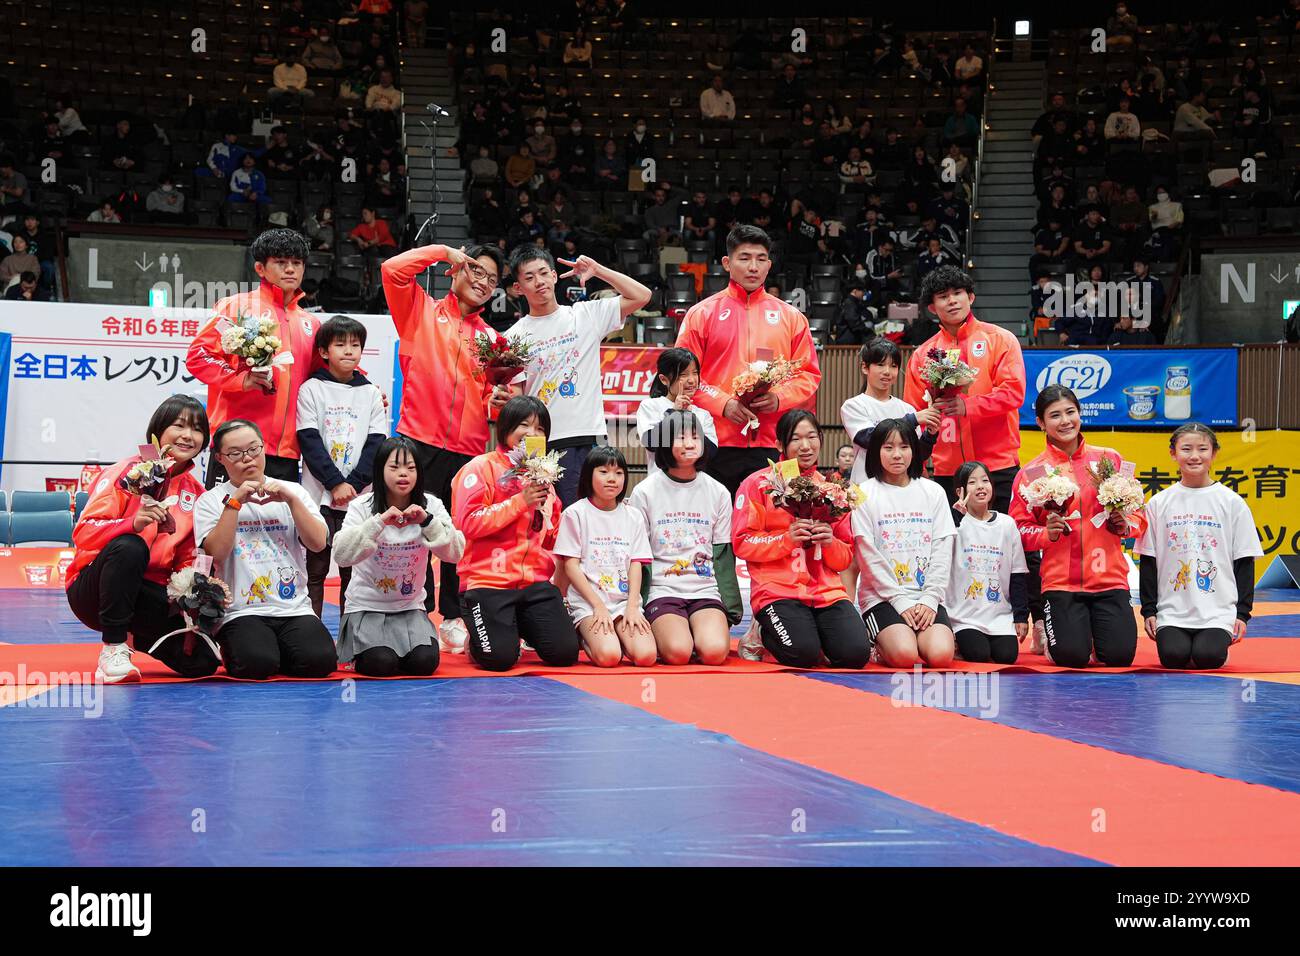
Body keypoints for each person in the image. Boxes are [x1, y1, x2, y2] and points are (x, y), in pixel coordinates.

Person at [380, 242, 507, 650]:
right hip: (416, 439)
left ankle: (453, 615)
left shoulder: (492, 340)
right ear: (455, 271)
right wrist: (442, 251)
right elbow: (392, 269)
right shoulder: (420, 311)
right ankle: (411, 606)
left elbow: (489, 396)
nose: (483, 282)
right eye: (476, 270)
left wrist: (496, 403)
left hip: (467, 448)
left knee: (455, 533)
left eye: (492, 278)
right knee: (409, 528)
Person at [66, 396, 220, 683]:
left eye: (197, 429)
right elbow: (84, 531)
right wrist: (131, 524)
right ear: (158, 430)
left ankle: (134, 634)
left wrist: (193, 597)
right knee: (130, 545)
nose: (188, 435)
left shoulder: (196, 492)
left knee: (202, 662)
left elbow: (189, 556)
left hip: (146, 591)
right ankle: (113, 648)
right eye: (179, 425)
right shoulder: (127, 472)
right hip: (94, 589)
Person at [675, 225, 822, 498]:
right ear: (727, 263)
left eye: (761, 258)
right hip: (713, 440)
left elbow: (808, 375)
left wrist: (778, 398)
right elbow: (683, 376)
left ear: (769, 264)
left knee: (778, 520)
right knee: (715, 529)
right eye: (744, 258)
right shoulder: (701, 314)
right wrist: (723, 404)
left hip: (777, 444)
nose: (753, 266)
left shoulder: (791, 318)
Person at [1009, 385, 1147, 668]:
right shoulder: (1032, 472)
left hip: (1110, 580)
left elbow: (1139, 517)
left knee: (1120, 657)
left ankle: (1094, 634)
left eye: (1071, 412)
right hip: (1061, 584)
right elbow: (1018, 530)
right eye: (1055, 415)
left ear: (1080, 414)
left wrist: (1125, 526)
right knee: (1071, 657)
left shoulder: (1110, 459)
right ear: (1041, 423)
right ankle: (1056, 636)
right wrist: (1046, 535)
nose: (1065, 421)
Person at [505, 245, 652, 506]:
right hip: (539, 443)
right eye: (529, 277)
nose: (539, 282)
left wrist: (598, 271)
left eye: (543, 273)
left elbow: (642, 296)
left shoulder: (585, 315)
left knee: (592, 520)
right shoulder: (513, 338)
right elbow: (515, 398)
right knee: (546, 523)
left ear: (553, 275)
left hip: (589, 436)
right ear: (518, 288)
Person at [194, 420, 337, 680]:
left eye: (253, 449)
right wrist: (234, 503)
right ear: (220, 459)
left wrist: (292, 501)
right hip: (240, 610)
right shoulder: (211, 500)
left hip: (293, 608)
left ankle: (278, 649)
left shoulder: (293, 491)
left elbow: (318, 543)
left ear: (263, 449)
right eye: (235, 454)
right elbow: (216, 554)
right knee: (256, 665)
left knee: (320, 662)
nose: (247, 459)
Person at [451, 397, 580, 672]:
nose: (533, 434)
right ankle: (477, 637)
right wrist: (520, 501)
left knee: (565, 653)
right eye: (524, 425)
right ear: (506, 428)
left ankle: (516, 624)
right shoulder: (480, 468)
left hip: (534, 584)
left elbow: (551, 536)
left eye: (540, 429)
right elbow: (468, 524)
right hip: (487, 582)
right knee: (498, 659)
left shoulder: (545, 476)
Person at [733, 410, 871, 669]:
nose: (806, 446)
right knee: (802, 653)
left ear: (821, 438)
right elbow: (742, 542)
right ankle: (761, 633)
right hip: (777, 591)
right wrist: (787, 538)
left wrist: (829, 542)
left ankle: (815, 633)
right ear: (780, 445)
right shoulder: (758, 484)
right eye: (796, 439)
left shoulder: (833, 490)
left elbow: (845, 558)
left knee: (855, 654)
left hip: (825, 592)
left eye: (812, 437)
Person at [186, 228, 321, 487]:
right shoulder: (234, 306)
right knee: (227, 524)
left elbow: (321, 374)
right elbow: (198, 356)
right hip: (236, 448)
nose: (290, 270)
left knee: (279, 527)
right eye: (281, 263)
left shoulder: (311, 323)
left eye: (297, 263)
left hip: (287, 452)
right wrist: (242, 380)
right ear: (260, 268)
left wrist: (361, 387)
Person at [332, 437, 464, 676]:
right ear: (380, 470)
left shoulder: (431, 505)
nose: (403, 474)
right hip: (366, 608)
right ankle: (358, 651)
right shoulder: (362, 506)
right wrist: (378, 523)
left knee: (424, 663)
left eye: (410, 468)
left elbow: (455, 553)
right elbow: (341, 555)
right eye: (394, 467)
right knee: (381, 664)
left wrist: (428, 522)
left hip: (410, 607)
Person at [1137, 423, 1263, 670]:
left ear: (1214, 453)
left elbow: (1244, 561)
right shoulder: (1159, 503)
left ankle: (1215, 643)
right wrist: (1149, 611)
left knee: (1209, 658)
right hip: (1172, 609)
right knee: (1173, 657)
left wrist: (1241, 614)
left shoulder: (1232, 503)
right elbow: (1148, 560)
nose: (1194, 456)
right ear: (1173, 453)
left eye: (1202, 449)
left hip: (1217, 610)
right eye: (1186, 449)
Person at [903, 266, 1026, 512]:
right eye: (942, 296)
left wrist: (967, 406)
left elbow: (1013, 392)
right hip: (948, 470)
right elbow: (915, 415)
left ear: (970, 297)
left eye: (957, 293)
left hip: (997, 466)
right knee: (952, 547)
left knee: (1004, 545)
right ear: (932, 307)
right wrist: (919, 466)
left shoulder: (1000, 340)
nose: (951, 301)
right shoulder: (923, 355)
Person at [629, 410, 741, 665]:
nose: (690, 444)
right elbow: (637, 555)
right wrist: (636, 603)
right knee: (678, 652)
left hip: (704, 589)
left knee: (714, 653)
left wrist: (731, 605)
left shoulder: (718, 492)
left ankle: (697, 633)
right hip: (662, 589)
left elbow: (722, 553)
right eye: (680, 437)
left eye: (695, 437)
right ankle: (672, 632)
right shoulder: (645, 492)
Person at [296, 316, 388, 619]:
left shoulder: (371, 393)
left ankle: (354, 636)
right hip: (318, 493)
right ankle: (311, 630)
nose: (349, 351)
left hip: (359, 496)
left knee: (354, 570)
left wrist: (355, 484)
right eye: (340, 345)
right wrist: (335, 483)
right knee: (315, 567)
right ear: (324, 351)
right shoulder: (311, 389)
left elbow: (377, 443)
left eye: (355, 345)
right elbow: (308, 440)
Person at [852, 419, 958, 668]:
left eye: (904, 446)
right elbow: (868, 556)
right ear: (876, 451)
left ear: (914, 450)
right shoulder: (863, 493)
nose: (897, 455)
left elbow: (943, 549)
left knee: (941, 656)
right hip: (882, 598)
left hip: (924, 597)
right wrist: (898, 599)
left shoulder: (933, 492)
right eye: (888, 447)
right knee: (904, 656)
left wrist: (931, 598)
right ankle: (876, 643)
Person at [554, 448, 657, 667]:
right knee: (609, 657)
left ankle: (619, 636)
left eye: (619, 473)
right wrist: (598, 605)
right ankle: (584, 636)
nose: (612, 479)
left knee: (646, 656)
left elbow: (636, 563)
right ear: (588, 475)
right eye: (603, 472)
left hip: (623, 602)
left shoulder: (633, 516)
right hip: (589, 603)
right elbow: (570, 566)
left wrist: (631, 606)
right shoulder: (574, 514)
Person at [945, 460, 1030, 664]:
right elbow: (940, 557)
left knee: (1007, 656)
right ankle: (955, 637)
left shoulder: (1007, 524)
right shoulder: (954, 524)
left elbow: (1017, 572)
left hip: (998, 614)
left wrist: (1020, 616)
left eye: (985, 480)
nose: (981, 486)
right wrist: (956, 517)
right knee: (978, 654)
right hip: (964, 616)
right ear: (960, 491)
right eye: (972, 482)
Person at [842, 336, 940, 486]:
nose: (887, 372)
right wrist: (912, 420)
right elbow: (869, 439)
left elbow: (917, 455)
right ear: (864, 367)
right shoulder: (853, 406)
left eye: (893, 366)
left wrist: (930, 435)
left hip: (900, 488)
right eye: (880, 365)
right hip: (865, 486)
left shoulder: (906, 408)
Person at [636, 347, 717, 478]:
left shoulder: (703, 414)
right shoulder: (650, 406)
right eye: (683, 375)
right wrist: (674, 413)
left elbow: (710, 453)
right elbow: (650, 443)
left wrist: (689, 416)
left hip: (695, 487)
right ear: (664, 379)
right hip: (660, 486)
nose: (691, 380)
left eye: (695, 373)